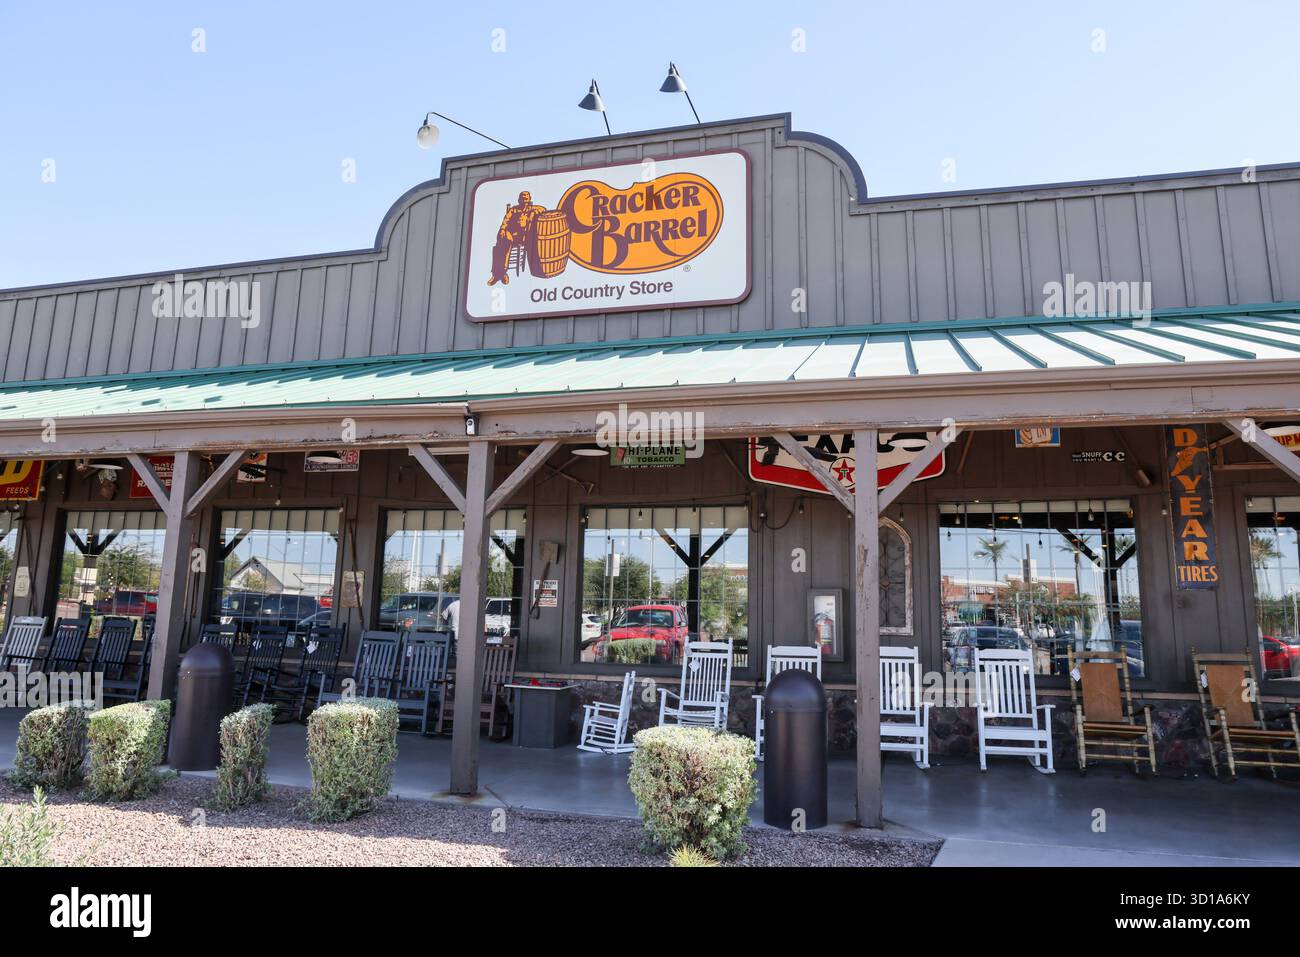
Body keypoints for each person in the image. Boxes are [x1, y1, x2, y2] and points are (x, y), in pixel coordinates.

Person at [487, 191, 543, 285]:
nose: (524, 200)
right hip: (511, 234)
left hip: (524, 236)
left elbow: (542, 209)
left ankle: (501, 273)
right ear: (519, 200)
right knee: (500, 245)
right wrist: (502, 230)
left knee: (502, 245)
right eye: (522, 198)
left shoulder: (532, 209)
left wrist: (534, 213)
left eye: (526, 198)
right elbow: (506, 221)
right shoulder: (513, 210)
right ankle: (498, 274)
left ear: (529, 199)